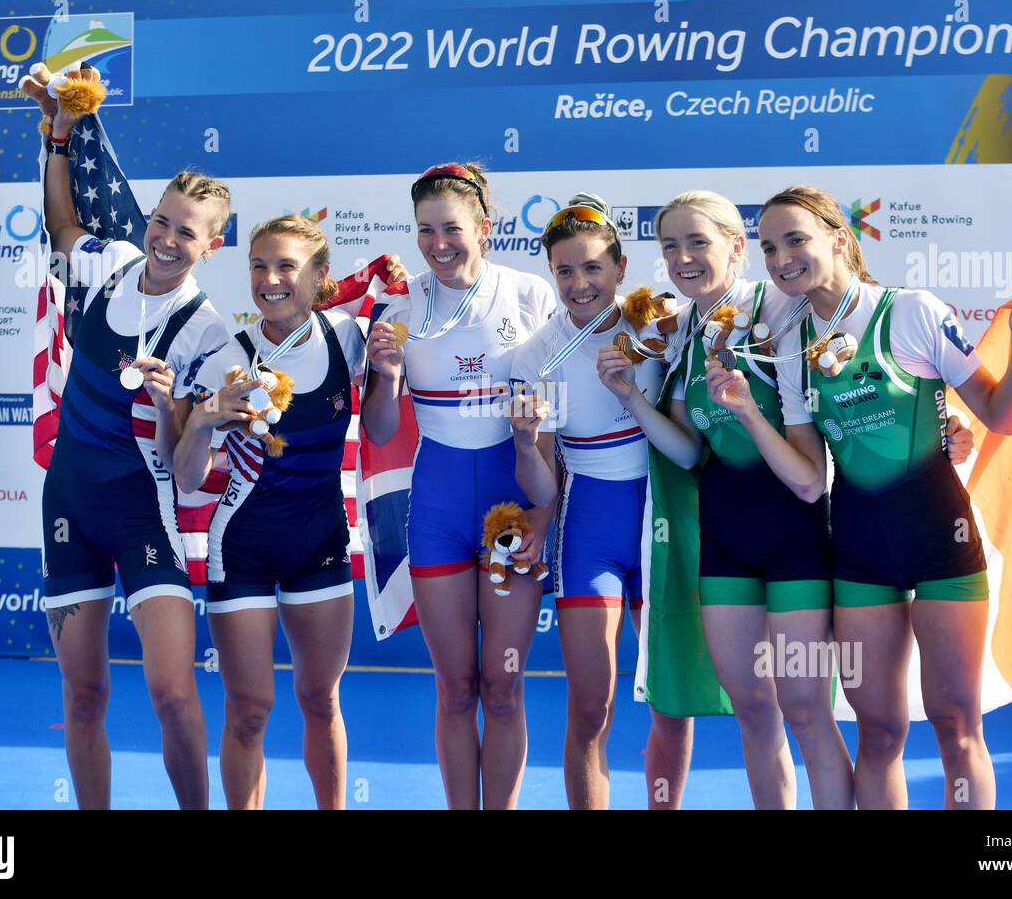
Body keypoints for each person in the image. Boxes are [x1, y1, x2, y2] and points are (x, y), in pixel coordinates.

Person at [753, 184, 1012, 809]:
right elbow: (809, 466)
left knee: (956, 722)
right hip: (860, 554)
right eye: (770, 246)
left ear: (839, 238)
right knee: (879, 730)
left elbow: (996, 414)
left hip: (943, 542)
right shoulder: (786, 343)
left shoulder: (910, 309)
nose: (781, 258)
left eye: (796, 240)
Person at [595, 190, 855, 809]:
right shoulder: (683, 332)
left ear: (737, 247)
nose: (684, 258)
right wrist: (632, 397)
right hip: (726, 540)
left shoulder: (784, 311)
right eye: (671, 247)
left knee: (807, 711)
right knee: (754, 710)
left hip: (798, 536)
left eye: (698, 242)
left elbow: (858, 374)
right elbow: (687, 452)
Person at [29, 67, 230, 809]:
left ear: (211, 246)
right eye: (163, 221)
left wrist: (177, 403)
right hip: (69, 503)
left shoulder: (210, 334)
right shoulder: (109, 264)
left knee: (174, 693)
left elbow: (188, 466)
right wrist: (58, 132)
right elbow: (62, 226)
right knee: (83, 691)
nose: (168, 238)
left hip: (144, 512)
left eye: (188, 231)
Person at [360, 163, 558, 809]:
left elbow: (552, 423)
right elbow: (381, 427)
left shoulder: (530, 295)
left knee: (503, 687)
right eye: (425, 230)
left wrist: (545, 515)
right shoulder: (400, 305)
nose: (438, 242)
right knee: (456, 688)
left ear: (485, 227)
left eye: (452, 228)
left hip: (515, 502)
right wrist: (386, 376)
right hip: (439, 506)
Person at [175, 216, 368, 809]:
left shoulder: (348, 339)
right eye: (259, 265)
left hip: (321, 542)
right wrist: (206, 418)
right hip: (245, 544)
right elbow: (185, 475)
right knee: (250, 708)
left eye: (286, 266)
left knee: (320, 699)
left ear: (319, 277)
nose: (270, 279)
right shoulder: (227, 357)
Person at [507, 195, 694, 810]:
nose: (579, 284)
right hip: (591, 529)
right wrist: (526, 441)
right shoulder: (532, 356)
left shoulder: (662, 325)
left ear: (619, 267)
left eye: (592, 268)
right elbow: (540, 490)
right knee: (592, 704)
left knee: (671, 696)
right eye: (564, 271)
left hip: (662, 521)